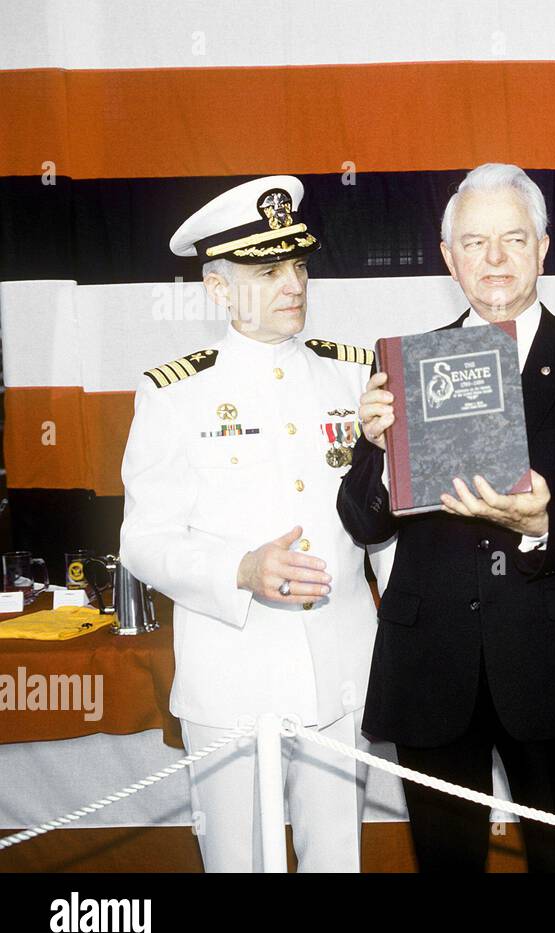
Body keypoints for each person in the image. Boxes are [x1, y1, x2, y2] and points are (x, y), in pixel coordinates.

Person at [338, 163, 555, 872]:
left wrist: (541, 524)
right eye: (474, 243)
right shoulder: (404, 366)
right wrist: (381, 454)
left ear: (544, 246)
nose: (495, 259)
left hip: (550, 663)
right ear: (448, 259)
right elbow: (363, 522)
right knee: (445, 864)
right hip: (429, 662)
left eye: (513, 238)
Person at [120, 176, 388, 871]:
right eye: (267, 270)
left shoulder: (355, 376)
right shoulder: (174, 391)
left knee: (337, 860)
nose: (292, 283)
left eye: (298, 265)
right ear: (217, 289)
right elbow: (142, 542)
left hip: (341, 666)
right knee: (237, 863)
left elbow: (381, 527)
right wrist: (239, 569)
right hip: (229, 671)